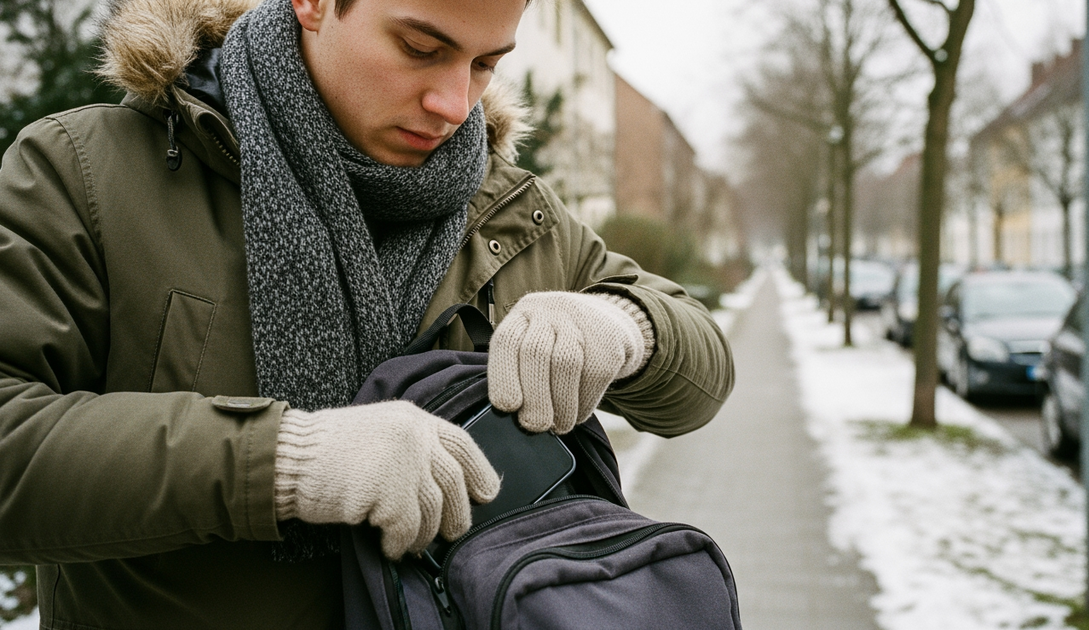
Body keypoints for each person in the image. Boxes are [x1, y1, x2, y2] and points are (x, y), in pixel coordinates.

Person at [0, 0, 734, 626]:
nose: (454, 103)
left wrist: (624, 325)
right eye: (421, 48)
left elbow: (700, 374)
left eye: (484, 65)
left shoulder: (509, 213)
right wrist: (287, 462)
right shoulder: (87, 173)